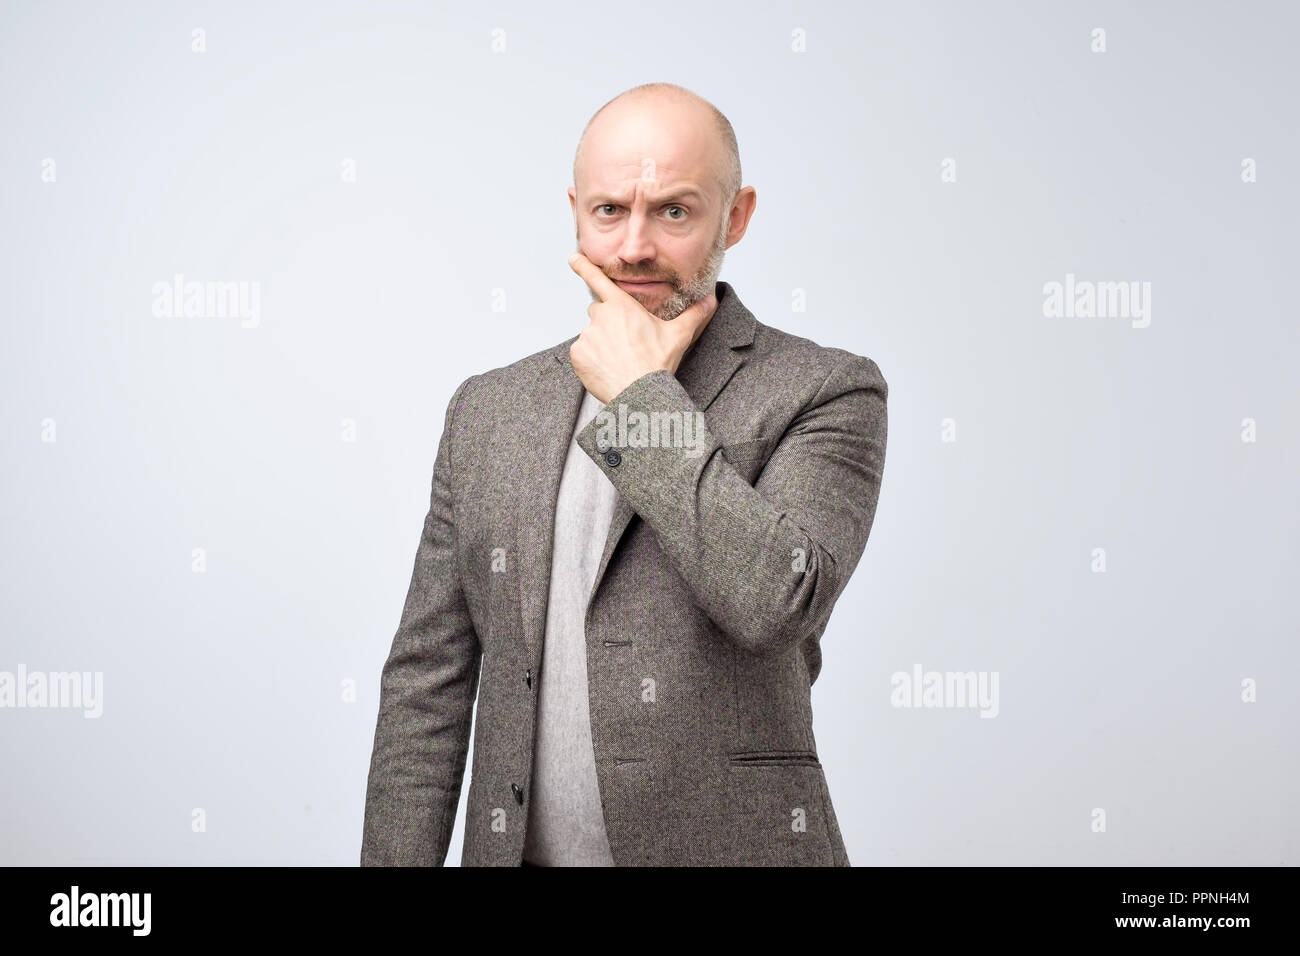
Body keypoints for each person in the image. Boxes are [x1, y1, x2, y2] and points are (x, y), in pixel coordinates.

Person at [361, 82, 888, 866]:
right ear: (576, 211)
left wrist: (642, 398)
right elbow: (425, 684)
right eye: (610, 210)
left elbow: (777, 603)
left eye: (673, 211)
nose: (634, 247)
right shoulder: (488, 409)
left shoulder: (825, 389)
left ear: (735, 217)